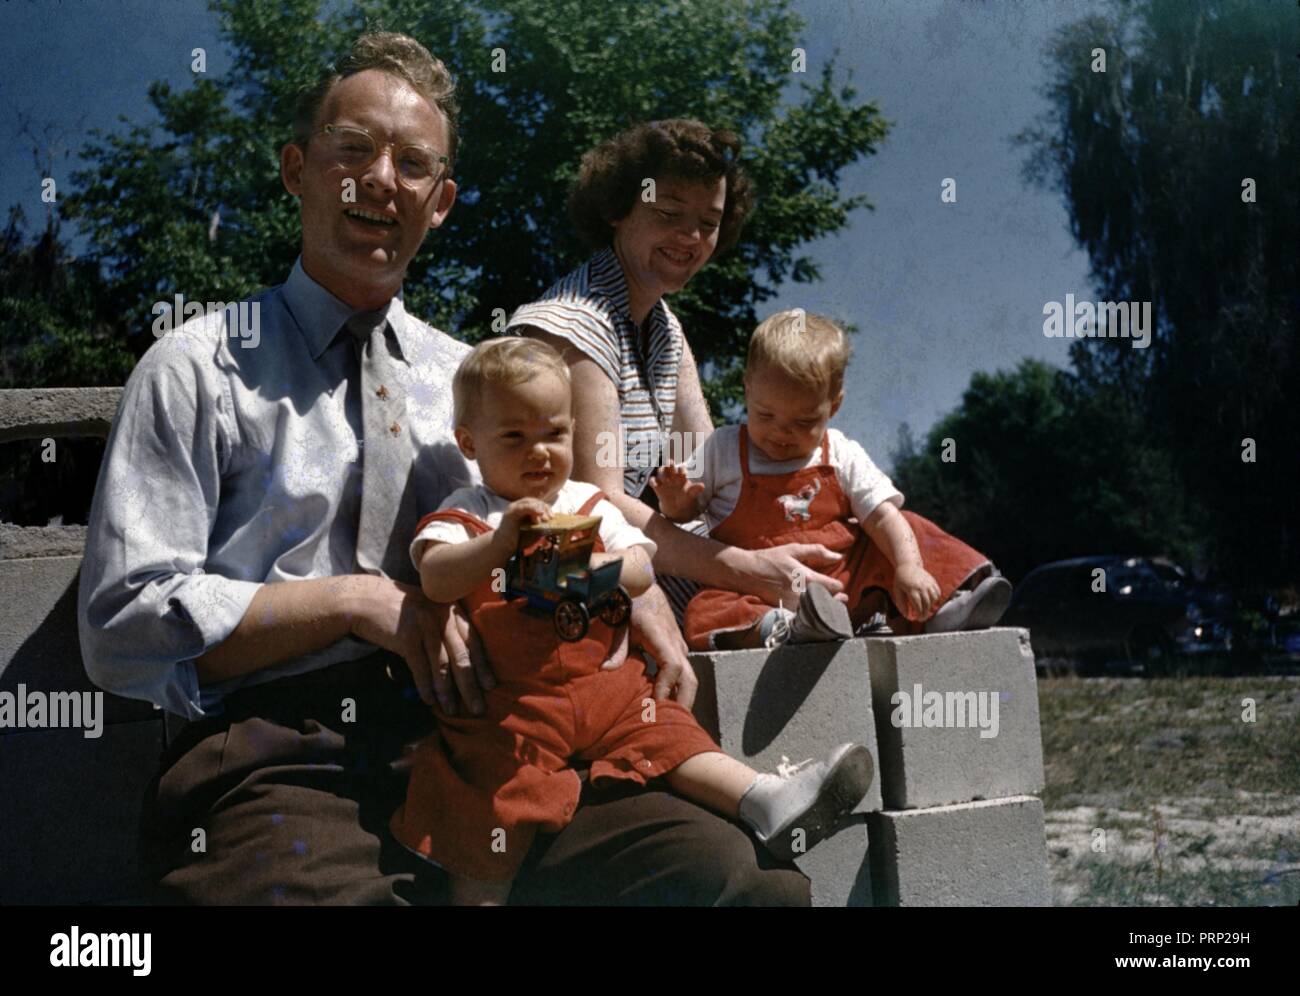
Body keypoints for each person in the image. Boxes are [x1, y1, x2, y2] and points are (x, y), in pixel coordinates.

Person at [76, 32, 809, 906]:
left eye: (413, 163)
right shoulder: (196, 366)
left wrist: (631, 584)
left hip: (493, 738)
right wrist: (358, 602)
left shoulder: (474, 386)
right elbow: (122, 623)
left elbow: (538, 530)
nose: (382, 178)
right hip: (283, 758)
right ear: (296, 169)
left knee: (742, 884)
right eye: (353, 150)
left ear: (442, 202)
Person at [389, 338, 875, 904]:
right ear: (469, 443)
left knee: (670, 732)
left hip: (606, 689)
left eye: (554, 433)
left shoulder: (590, 503)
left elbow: (643, 568)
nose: (540, 452)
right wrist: (499, 542)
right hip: (515, 707)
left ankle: (766, 797)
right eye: (514, 437)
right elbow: (436, 578)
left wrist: (597, 569)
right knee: (494, 803)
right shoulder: (468, 513)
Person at [507, 120, 854, 629]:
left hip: (637, 571)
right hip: (558, 581)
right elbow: (592, 506)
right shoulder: (572, 325)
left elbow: (716, 478)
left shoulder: (665, 329)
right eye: (669, 213)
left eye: (709, 223)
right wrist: (752, 570)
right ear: (618, 208)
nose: (690, 237)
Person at [648, 310, 1013, 651]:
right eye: (765, 415)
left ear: (833, 406)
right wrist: (676, 499)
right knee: (706, 607)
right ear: (747, 389)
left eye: (803, 422)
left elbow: (882, 516)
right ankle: (782, 628)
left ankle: (946, 603)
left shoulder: (840, 452)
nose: (781, 433)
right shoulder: (722, 448)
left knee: (908, 529)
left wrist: (908, 567)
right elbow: (684, 515)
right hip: (760, 584)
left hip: (844, 582)